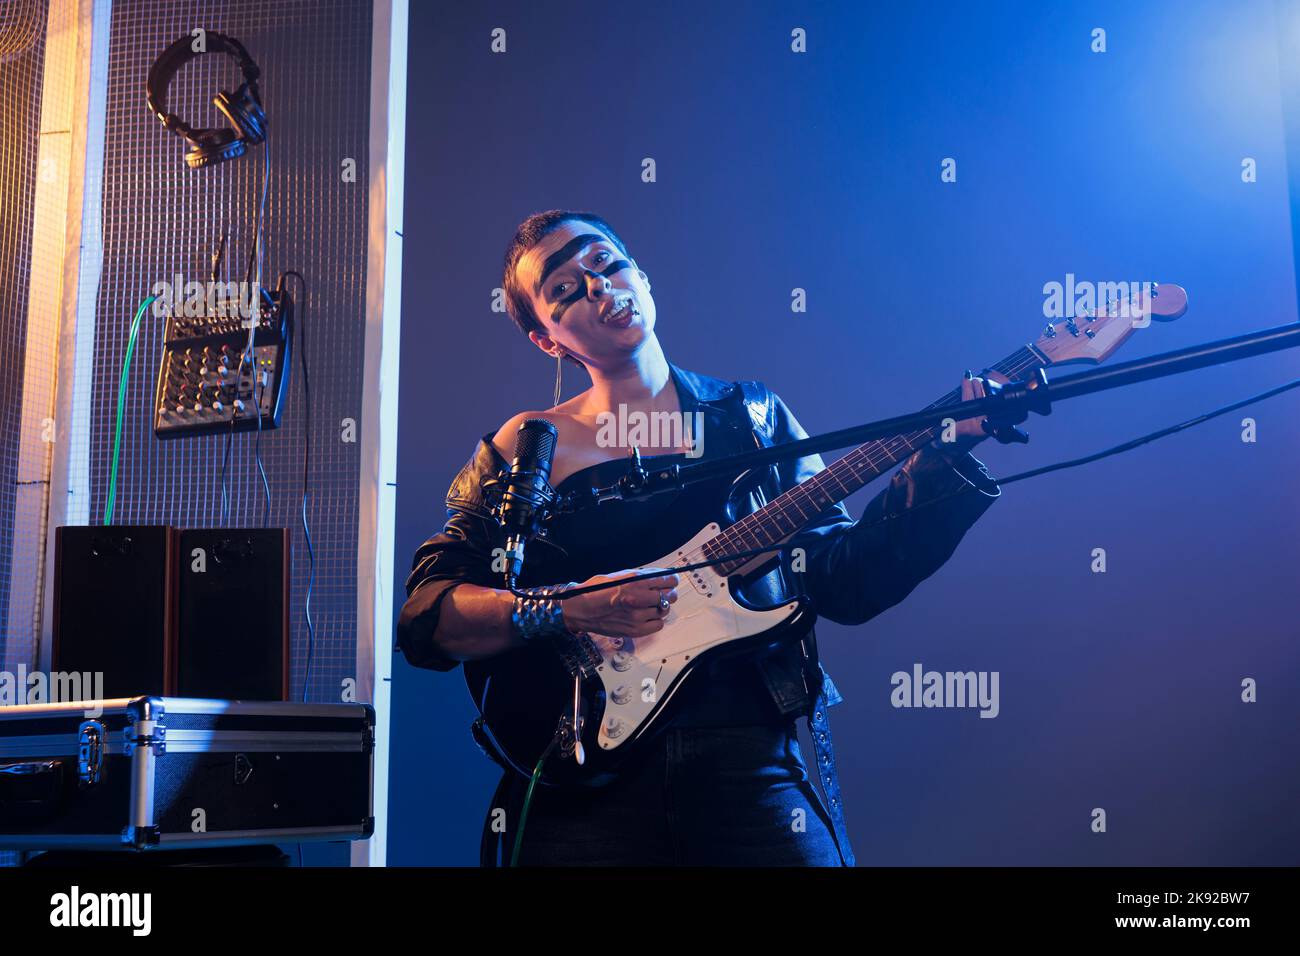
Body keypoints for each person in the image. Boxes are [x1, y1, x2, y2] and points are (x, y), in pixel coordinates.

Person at [396, 209, 1006, 866]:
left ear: (643, 275)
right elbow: (428, 617)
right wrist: (569, 609)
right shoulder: (524, 448)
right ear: (548, 339)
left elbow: (846, 580)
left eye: (606, 264)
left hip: (744, 760)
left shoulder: (752, 417)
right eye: (566, 290)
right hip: (578, 780)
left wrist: (942, 459)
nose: (599, 290)